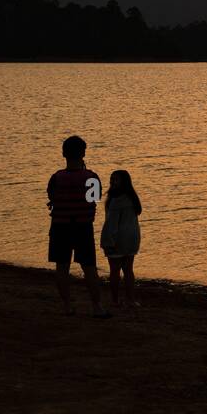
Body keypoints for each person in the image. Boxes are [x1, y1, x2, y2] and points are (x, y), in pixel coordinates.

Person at [47, 135, 109, 317]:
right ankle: (96, 306)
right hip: (83, 227)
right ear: (83, 153)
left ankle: (67, 306)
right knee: (89, 267)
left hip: (60, 226)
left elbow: (52, 197)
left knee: (62, 267)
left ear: (63, 154)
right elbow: (94, 200)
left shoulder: (56, 177)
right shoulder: (91, 177)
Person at [100, 169, 142, 311]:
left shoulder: (116, 200)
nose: (112, 182)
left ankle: (115, 300)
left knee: (115, 270)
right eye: (111, 179)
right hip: (132, 239)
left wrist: (107, 241)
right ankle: (130, 300)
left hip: (118, 240)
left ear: (123, 182)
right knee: (128, 270)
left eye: (115, 180)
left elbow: (111, 225)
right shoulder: (132, 198)